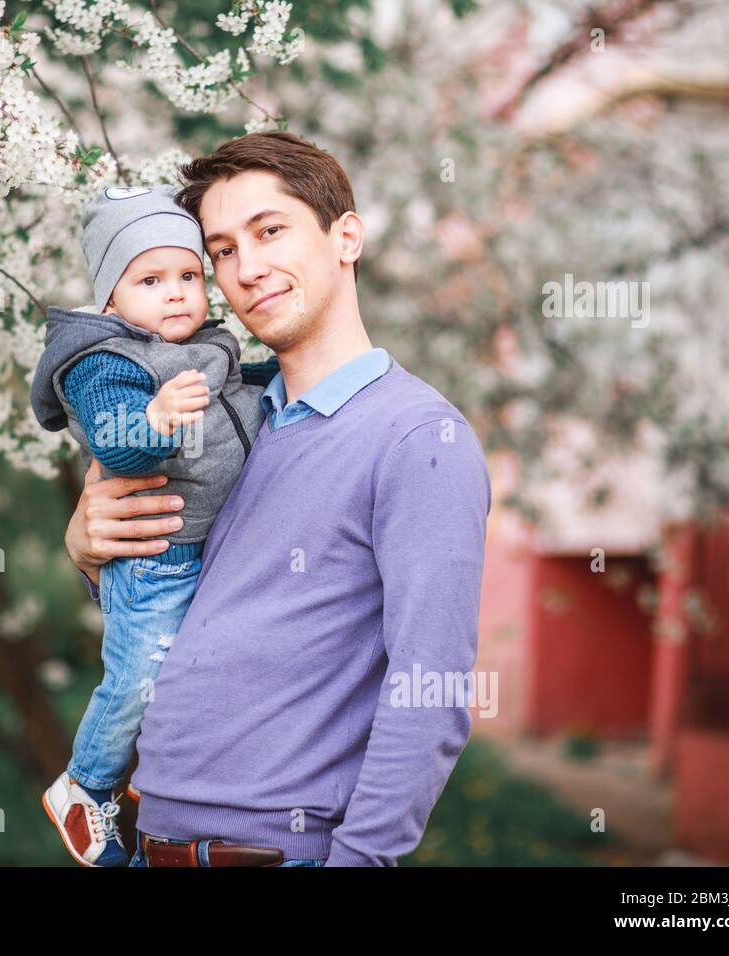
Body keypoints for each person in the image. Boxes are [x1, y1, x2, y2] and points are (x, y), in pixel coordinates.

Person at [62, 131, 492, 867]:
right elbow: (193, 613)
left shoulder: (417, 439)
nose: (247, 268)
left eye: (270, 231)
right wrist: (89, 550)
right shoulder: (228, 421)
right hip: (150, 845)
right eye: (222, 251)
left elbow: (432, 686)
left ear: (345, 237)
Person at [30, 184, 278, 865]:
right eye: (150, 279)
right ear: (111, 298)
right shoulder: (105, 362)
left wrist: (281, 371)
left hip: (200, 551)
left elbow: (239, 385)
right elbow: (117, 441)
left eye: (190, 276)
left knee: (189, 669)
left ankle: (153, 773)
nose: (176, 293)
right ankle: (85, 786)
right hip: (153, 559)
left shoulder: (200, 344)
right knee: (141, 671)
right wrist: (157, 420)